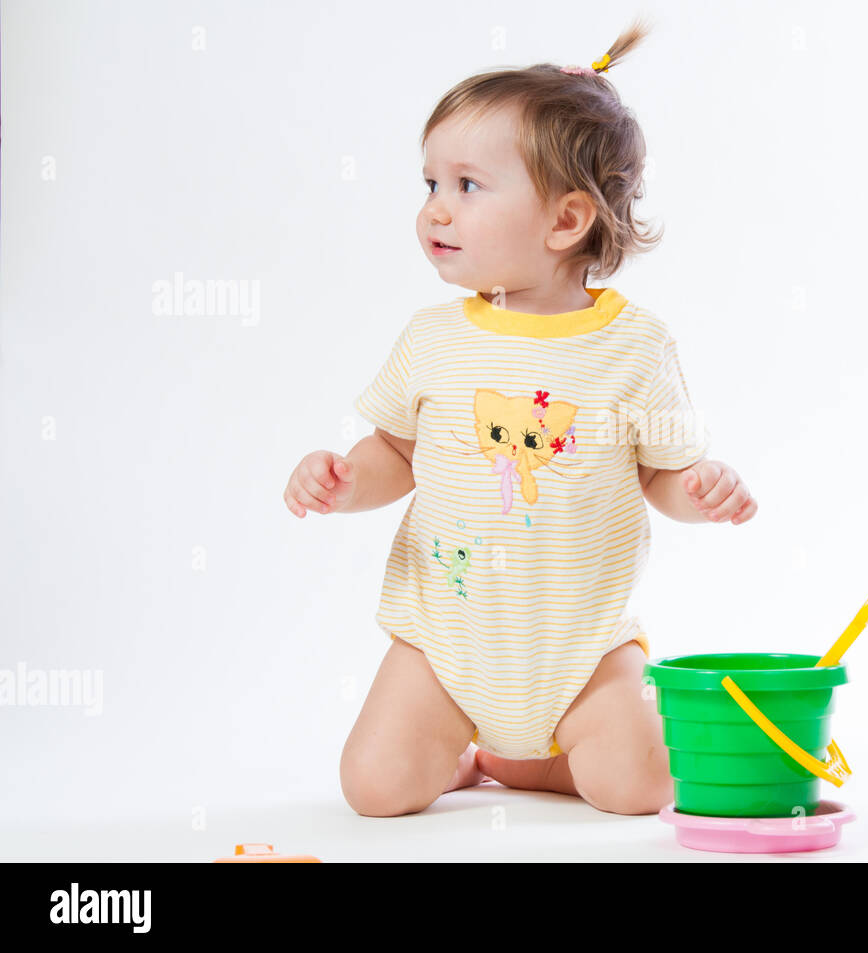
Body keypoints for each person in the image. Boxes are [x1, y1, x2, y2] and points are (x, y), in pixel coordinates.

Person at [284, 17, 757, 817]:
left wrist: (700, 490)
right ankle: (469, 750)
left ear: (566, 221)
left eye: (467, 186)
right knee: (373, 789)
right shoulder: (435, 338)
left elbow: (662, 476)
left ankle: (529, 762)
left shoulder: (634, 345)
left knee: (643, 788)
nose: (436, 210)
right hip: (446, 642)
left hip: (583, 647)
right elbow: (394, 451)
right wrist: (341, 477)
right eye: (430, 184)